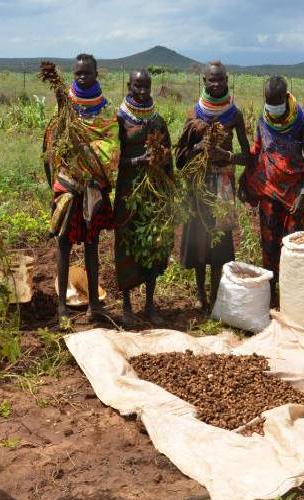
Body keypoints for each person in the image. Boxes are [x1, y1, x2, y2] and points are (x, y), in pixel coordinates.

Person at [44, 53, 118, 323]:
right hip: (67, 185)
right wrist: (72, 161)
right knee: (63, 245)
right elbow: (54, 145)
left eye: (87, 73)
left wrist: (89, 157)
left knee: (91, 244)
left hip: (94, 187)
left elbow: (112, 144)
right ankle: (62, 305)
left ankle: (94, 305)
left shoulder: (106, 109)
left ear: (96, 74)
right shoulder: (64, 107)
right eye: (78, 73)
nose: (82, 77)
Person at [176, 61, 250, 310]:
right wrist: (199, 149)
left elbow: (247, 156)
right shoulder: (194, 112)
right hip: (198, 183)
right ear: (204, 81)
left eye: (220, 80)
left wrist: (226, 156)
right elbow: (182, 152)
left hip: (223, 183)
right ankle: (200, 295)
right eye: (211, 80)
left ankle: (216, 293)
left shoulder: (234, 114)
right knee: (199, 237)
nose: (216, 84)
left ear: (227, 80)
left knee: (219, 240)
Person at [240, 76, 304, 306]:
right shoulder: (263, 118)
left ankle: (293, 299)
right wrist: (245, 178)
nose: (274, 108)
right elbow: (257, 149)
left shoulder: (301, 121)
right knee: (269, 245)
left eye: (277, 102)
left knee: (292, 246)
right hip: (269, 192)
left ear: (286, 96)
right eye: (269, 102)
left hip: (293, 194)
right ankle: (271, 298)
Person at [114, 69, 172, 325]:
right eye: (137, 86)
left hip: (153, 193)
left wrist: (169, 186)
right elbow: (113, 160)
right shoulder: (119, 119)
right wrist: (139, 160)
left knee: (153, 244)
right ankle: (127, 306)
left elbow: (168, 158)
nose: (142, 91)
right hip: (128, 192)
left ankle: (149, 305)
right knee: (126, 244)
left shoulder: (158, 121)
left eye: (146, 86)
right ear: (129, 85)